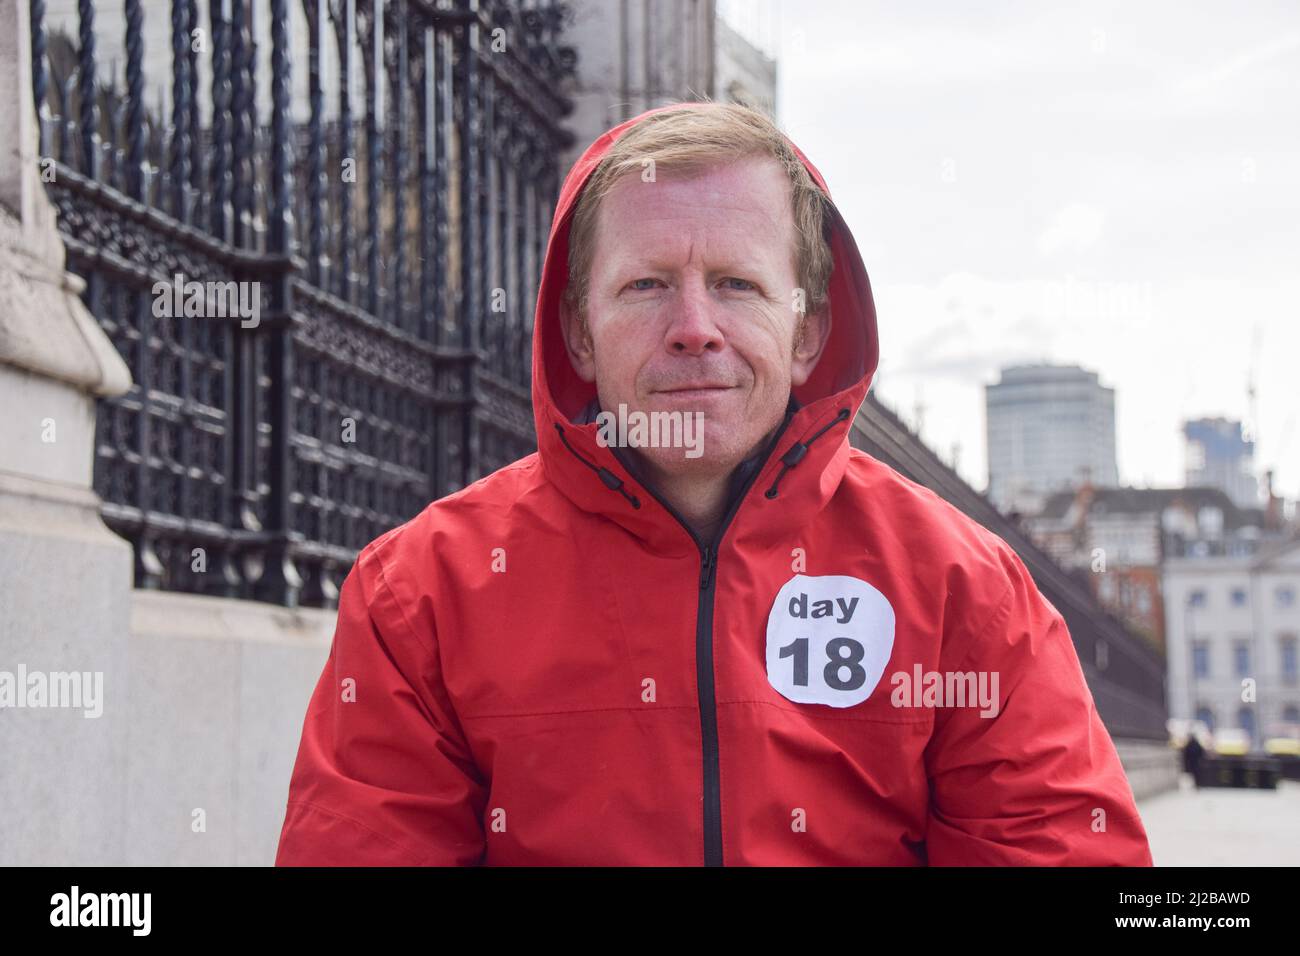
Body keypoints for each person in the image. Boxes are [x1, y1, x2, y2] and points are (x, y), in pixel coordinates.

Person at [274, 101, 1153, 866]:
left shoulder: (963, 589)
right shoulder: (421, 594)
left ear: (806, 332)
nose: (695, 328)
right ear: (578, 335)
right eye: (647, 285)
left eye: (736, 284)